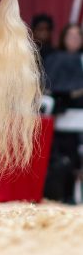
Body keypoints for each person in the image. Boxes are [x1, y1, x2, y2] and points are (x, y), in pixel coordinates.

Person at [42, 23, 83, 204]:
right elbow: (47, 86)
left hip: (80, 118)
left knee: (77, 161)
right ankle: (59, 195)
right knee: (60, 161)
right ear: (63, 38)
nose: (73, 39)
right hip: (59, 119)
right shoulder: (53, 59)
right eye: (70, 36)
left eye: (77, 36)